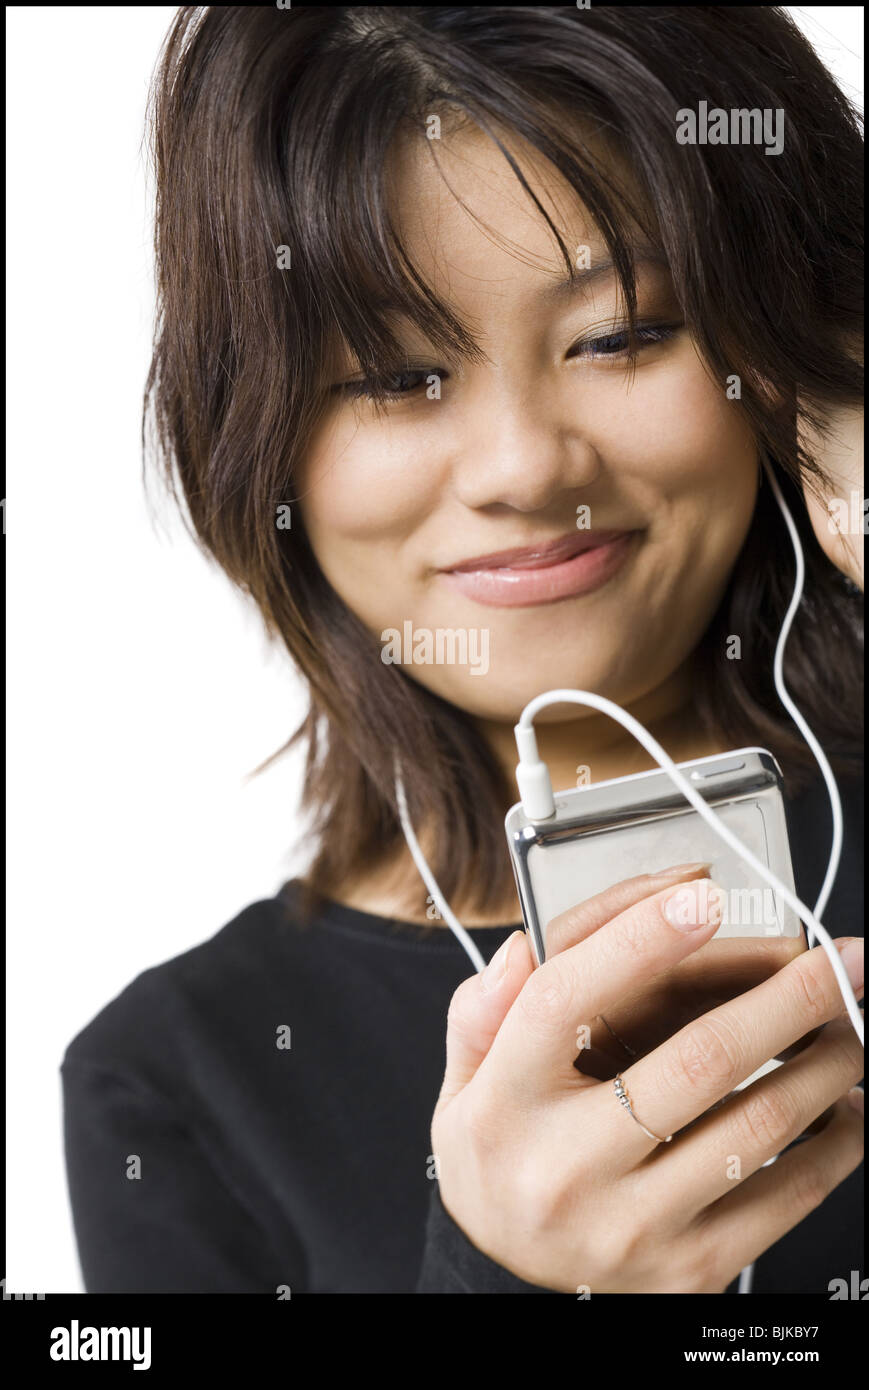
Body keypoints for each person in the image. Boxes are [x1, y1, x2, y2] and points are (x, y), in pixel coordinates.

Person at [62, 5, 863, 1294]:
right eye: (389, 373)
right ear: (249, 437)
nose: (524, 467)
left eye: (620, 335)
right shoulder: (173, 1084)